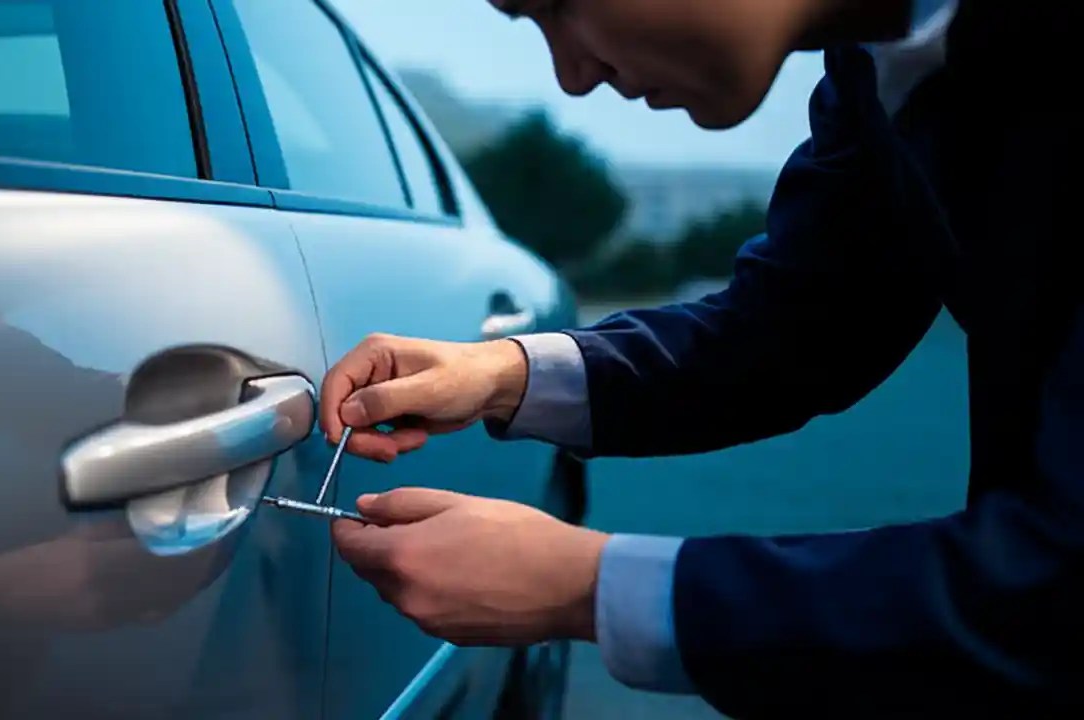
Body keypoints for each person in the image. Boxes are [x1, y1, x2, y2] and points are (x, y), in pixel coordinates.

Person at [321, 0, 1078, 716]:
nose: (572, 77)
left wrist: (586, 586)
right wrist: (500, 375)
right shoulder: (876, 61)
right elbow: (804, 318)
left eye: (556, 5)